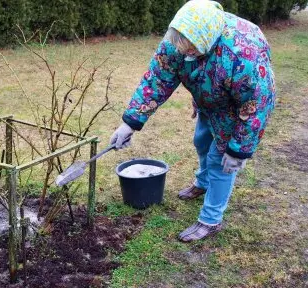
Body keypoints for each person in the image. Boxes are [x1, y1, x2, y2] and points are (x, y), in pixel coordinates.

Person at [110, 0, 276, 242]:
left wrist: (239, 150)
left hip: (236, 109)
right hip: (208, 98)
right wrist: (130, 122)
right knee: (201, 142)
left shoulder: (242, 55)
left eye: (192, 49)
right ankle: (203, 182)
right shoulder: (177, 40)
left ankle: (210, 220)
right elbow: (157, 79)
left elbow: (257, 105)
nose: (185, 52)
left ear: (207, 40)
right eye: (182, 47)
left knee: (220, 162)